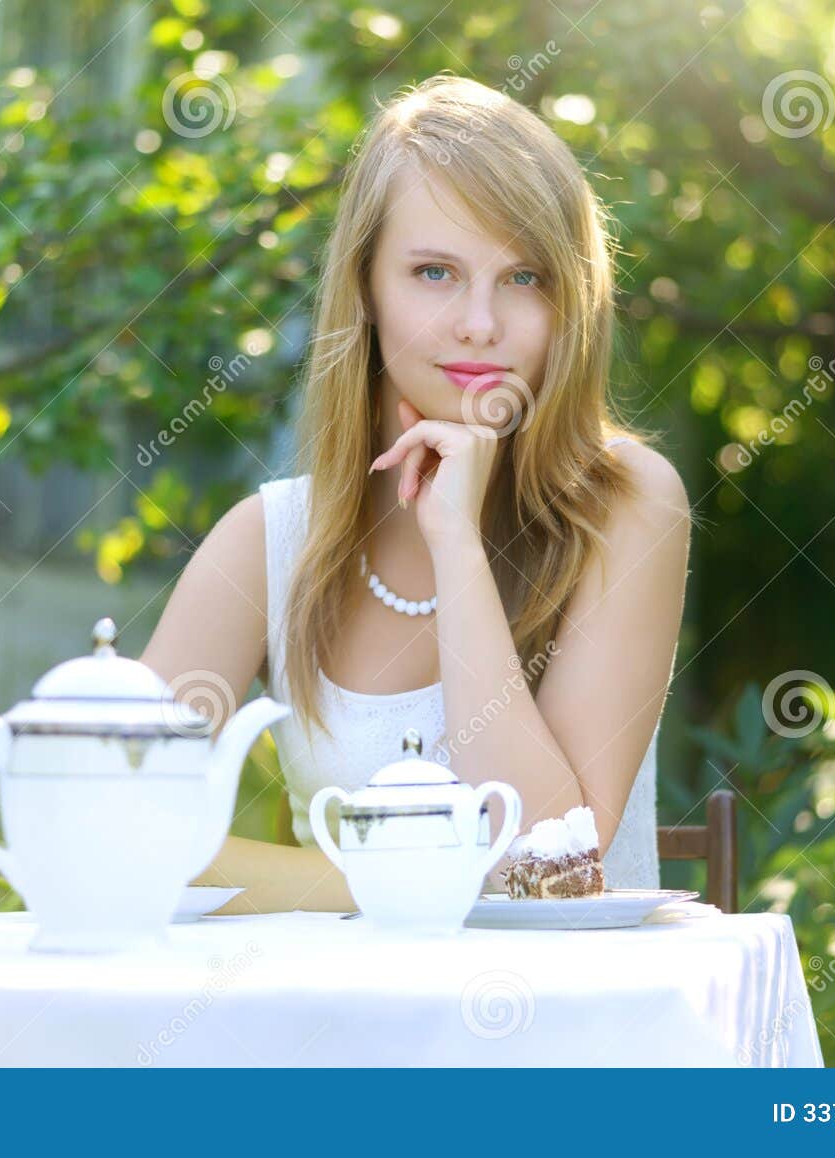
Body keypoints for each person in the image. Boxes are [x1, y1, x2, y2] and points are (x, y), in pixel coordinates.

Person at [140, 75, 691, 913]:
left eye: (525, 278)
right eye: (435, 272)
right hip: (341, 1034)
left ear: (573, 300)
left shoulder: (626, 504)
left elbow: (548, 870)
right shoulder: (271, 538)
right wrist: (390, 881)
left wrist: (457, 547)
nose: (479, 323)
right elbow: (120, 822)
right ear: (364, 286)